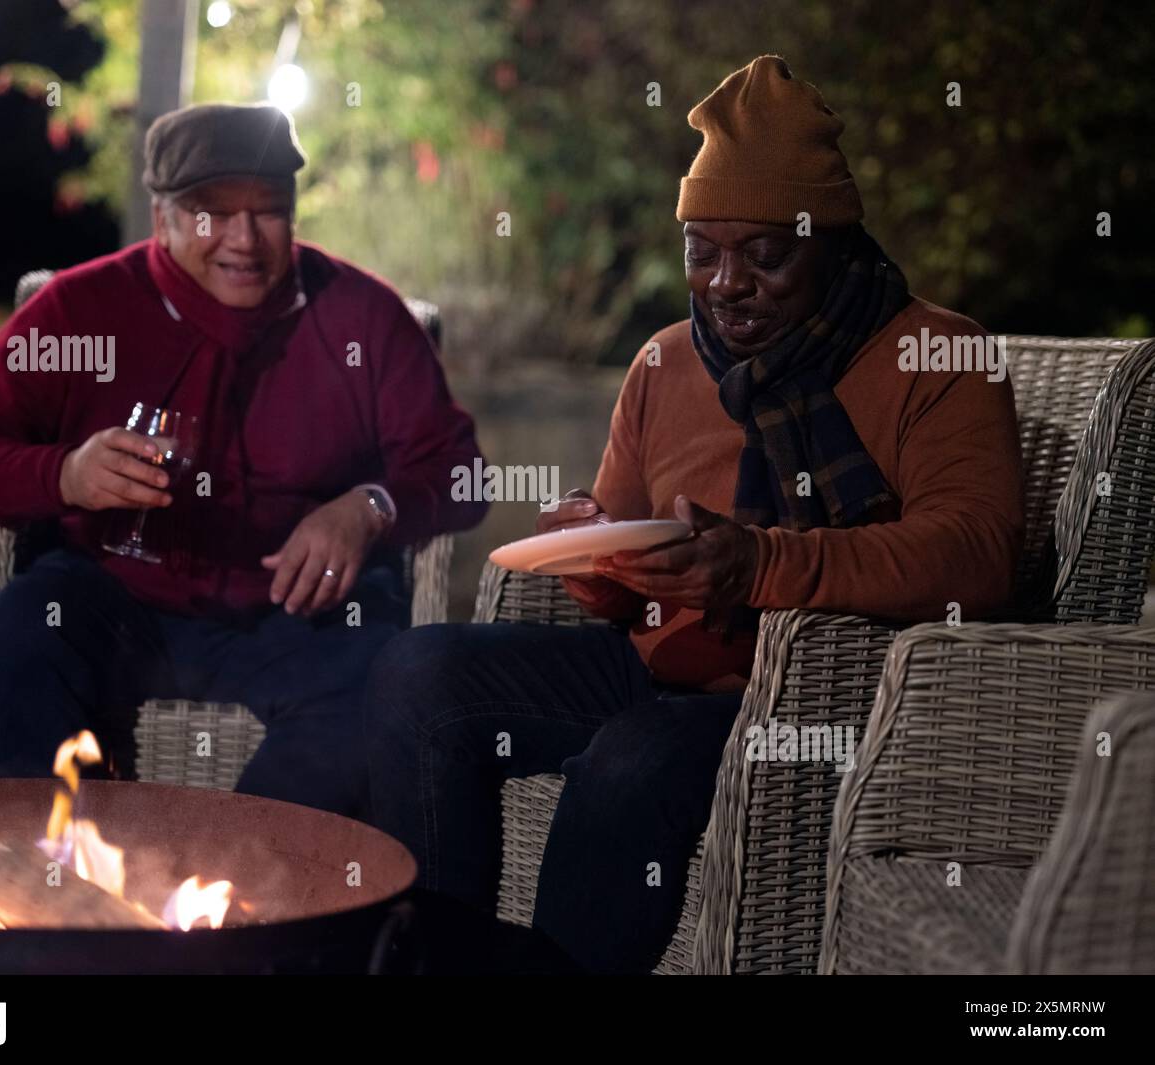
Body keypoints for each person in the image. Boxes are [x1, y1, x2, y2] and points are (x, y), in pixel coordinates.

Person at [364, 55, 1024, 972]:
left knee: (637, 756)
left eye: (766, 255)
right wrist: (592, 550)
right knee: (417, 669)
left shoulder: (939, 356)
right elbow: (625, 571)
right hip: (663, 665)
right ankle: (434, 956)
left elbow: (977, 558)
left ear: (831, 239)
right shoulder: (668, 362)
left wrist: (759, 564)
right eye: (702, 252)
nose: (727, 285)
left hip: (828, 698)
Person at [0, 103, 486, 817]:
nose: (244, 240)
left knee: (380, 682)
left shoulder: (362, 316)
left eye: (269, 211)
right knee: (25, 628)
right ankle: (42, 892)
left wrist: (369, 506)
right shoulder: (78, 309)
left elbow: (461, 470)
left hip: (296, 615)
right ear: (163, 217)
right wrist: (64, 474)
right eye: (212, 214)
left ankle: (241, 894)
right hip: (114, 596)